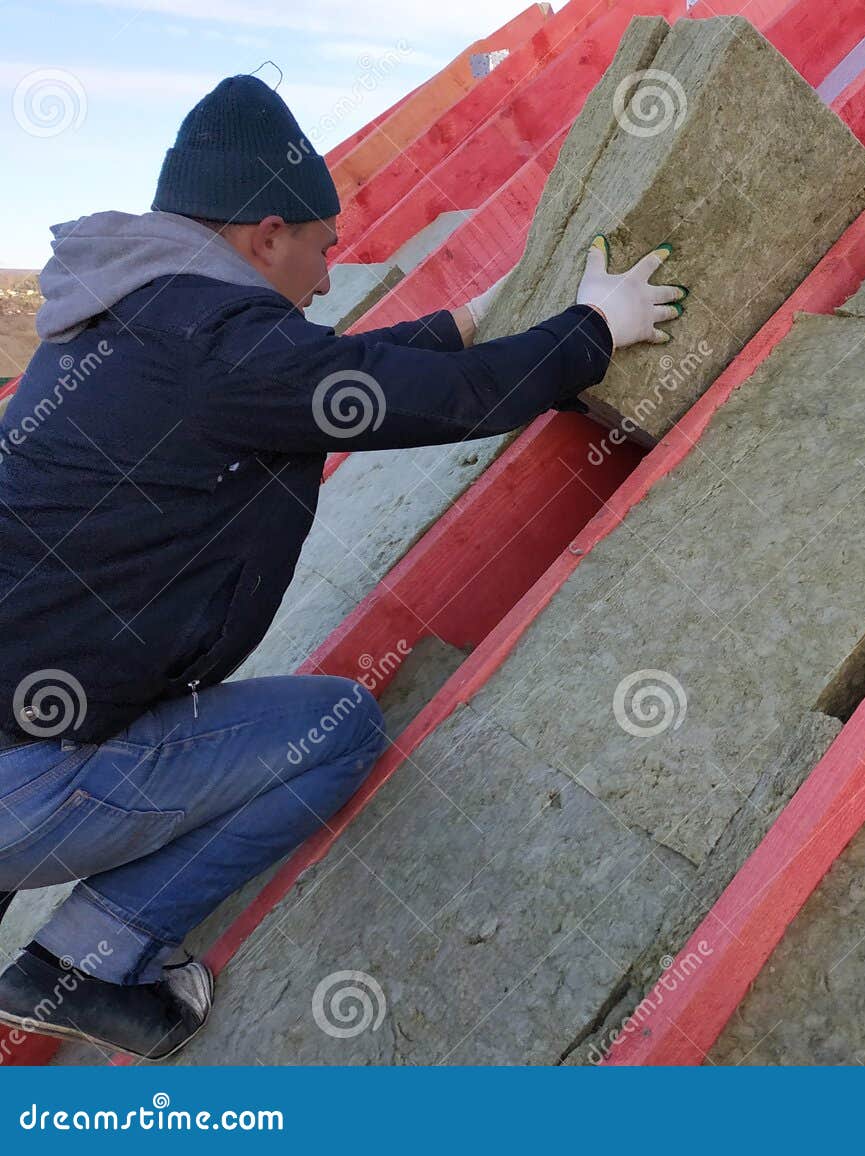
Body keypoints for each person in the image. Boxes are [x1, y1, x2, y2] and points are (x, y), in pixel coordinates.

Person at [0, 74, 685, 1060]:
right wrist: (591, 331)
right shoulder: (217, 343)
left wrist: (464, 321)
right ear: (265, 234)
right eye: (324, 249)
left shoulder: (132, 318)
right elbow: (435, 402)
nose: (327, 279)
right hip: (28, 775)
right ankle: (85, 962)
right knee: (335, 728)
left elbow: (321, 382)